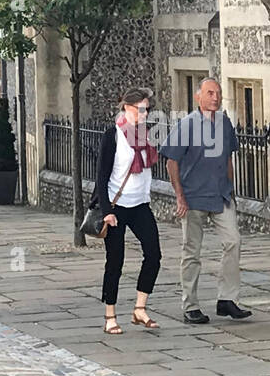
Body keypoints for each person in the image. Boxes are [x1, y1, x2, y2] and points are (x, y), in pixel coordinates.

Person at [161, 78, 251, 324]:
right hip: (193, 198)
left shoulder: (225, 124)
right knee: (191, 252)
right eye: (210, 93)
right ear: (198, 97)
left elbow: (228, 158)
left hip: (220, 195)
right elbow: (171, 161)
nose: (216, 97)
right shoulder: (187, 125)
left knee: (233, 241)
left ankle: (227, 299)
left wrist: (230, 189)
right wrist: (180, 196)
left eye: (218, 93)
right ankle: (190, 305)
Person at [92, 88, 163, 335]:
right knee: (115, 261)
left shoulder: (145, 136)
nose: (145, 114)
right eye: (141, 109)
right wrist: (105, 211)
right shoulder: (112, 136)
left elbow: (146, 170)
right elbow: (101, 177)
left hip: (140, 205)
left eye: (147, 109)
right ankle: (110, 315)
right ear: (127, 107)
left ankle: (139, 309)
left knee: (154, 254)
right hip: (115, 206)